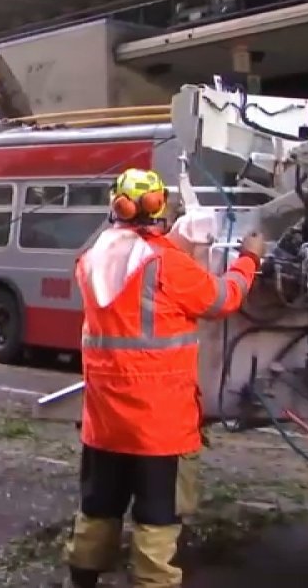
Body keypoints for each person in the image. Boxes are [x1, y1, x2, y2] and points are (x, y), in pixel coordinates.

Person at [64, 168, 265, 588]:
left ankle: (80, 580)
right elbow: (223, 297)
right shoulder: (166, 265)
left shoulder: (91, 260)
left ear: (116, 207)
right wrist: (250, 259)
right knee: (157, 520)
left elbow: (132, 258)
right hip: (159, 424)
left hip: (104, 422)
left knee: (98, 509)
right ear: (158, 208)